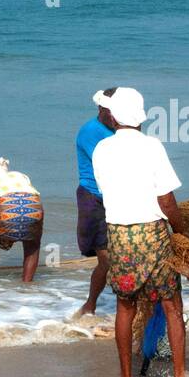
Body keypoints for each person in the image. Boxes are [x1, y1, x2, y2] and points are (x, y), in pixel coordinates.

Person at [91, 88, 188, 377]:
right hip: (152, 233)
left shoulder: (101, 149)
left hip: (119, 233)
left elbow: (105, 192)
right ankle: (180, 375)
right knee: (172, 305)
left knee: (125, 306)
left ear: (115, 116)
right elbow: (167, 200)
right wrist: (181, 231)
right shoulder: (152, 146)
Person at [74, 88, 116, 315]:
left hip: (117, 198)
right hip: (95, 198)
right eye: (111, 112)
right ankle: (90, 305)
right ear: (101, 108)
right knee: (107, 258)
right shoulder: (91, 131)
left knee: (120, 257)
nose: (115, 116)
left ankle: (125, 306)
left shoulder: (120, 128)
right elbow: (107, 165)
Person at [0, 157, 44, 282]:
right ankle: (27, 284)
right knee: (32, 245)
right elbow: (32, 195)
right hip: (34, 207)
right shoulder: (21, 176)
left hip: (7, 206)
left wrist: (3, 239)